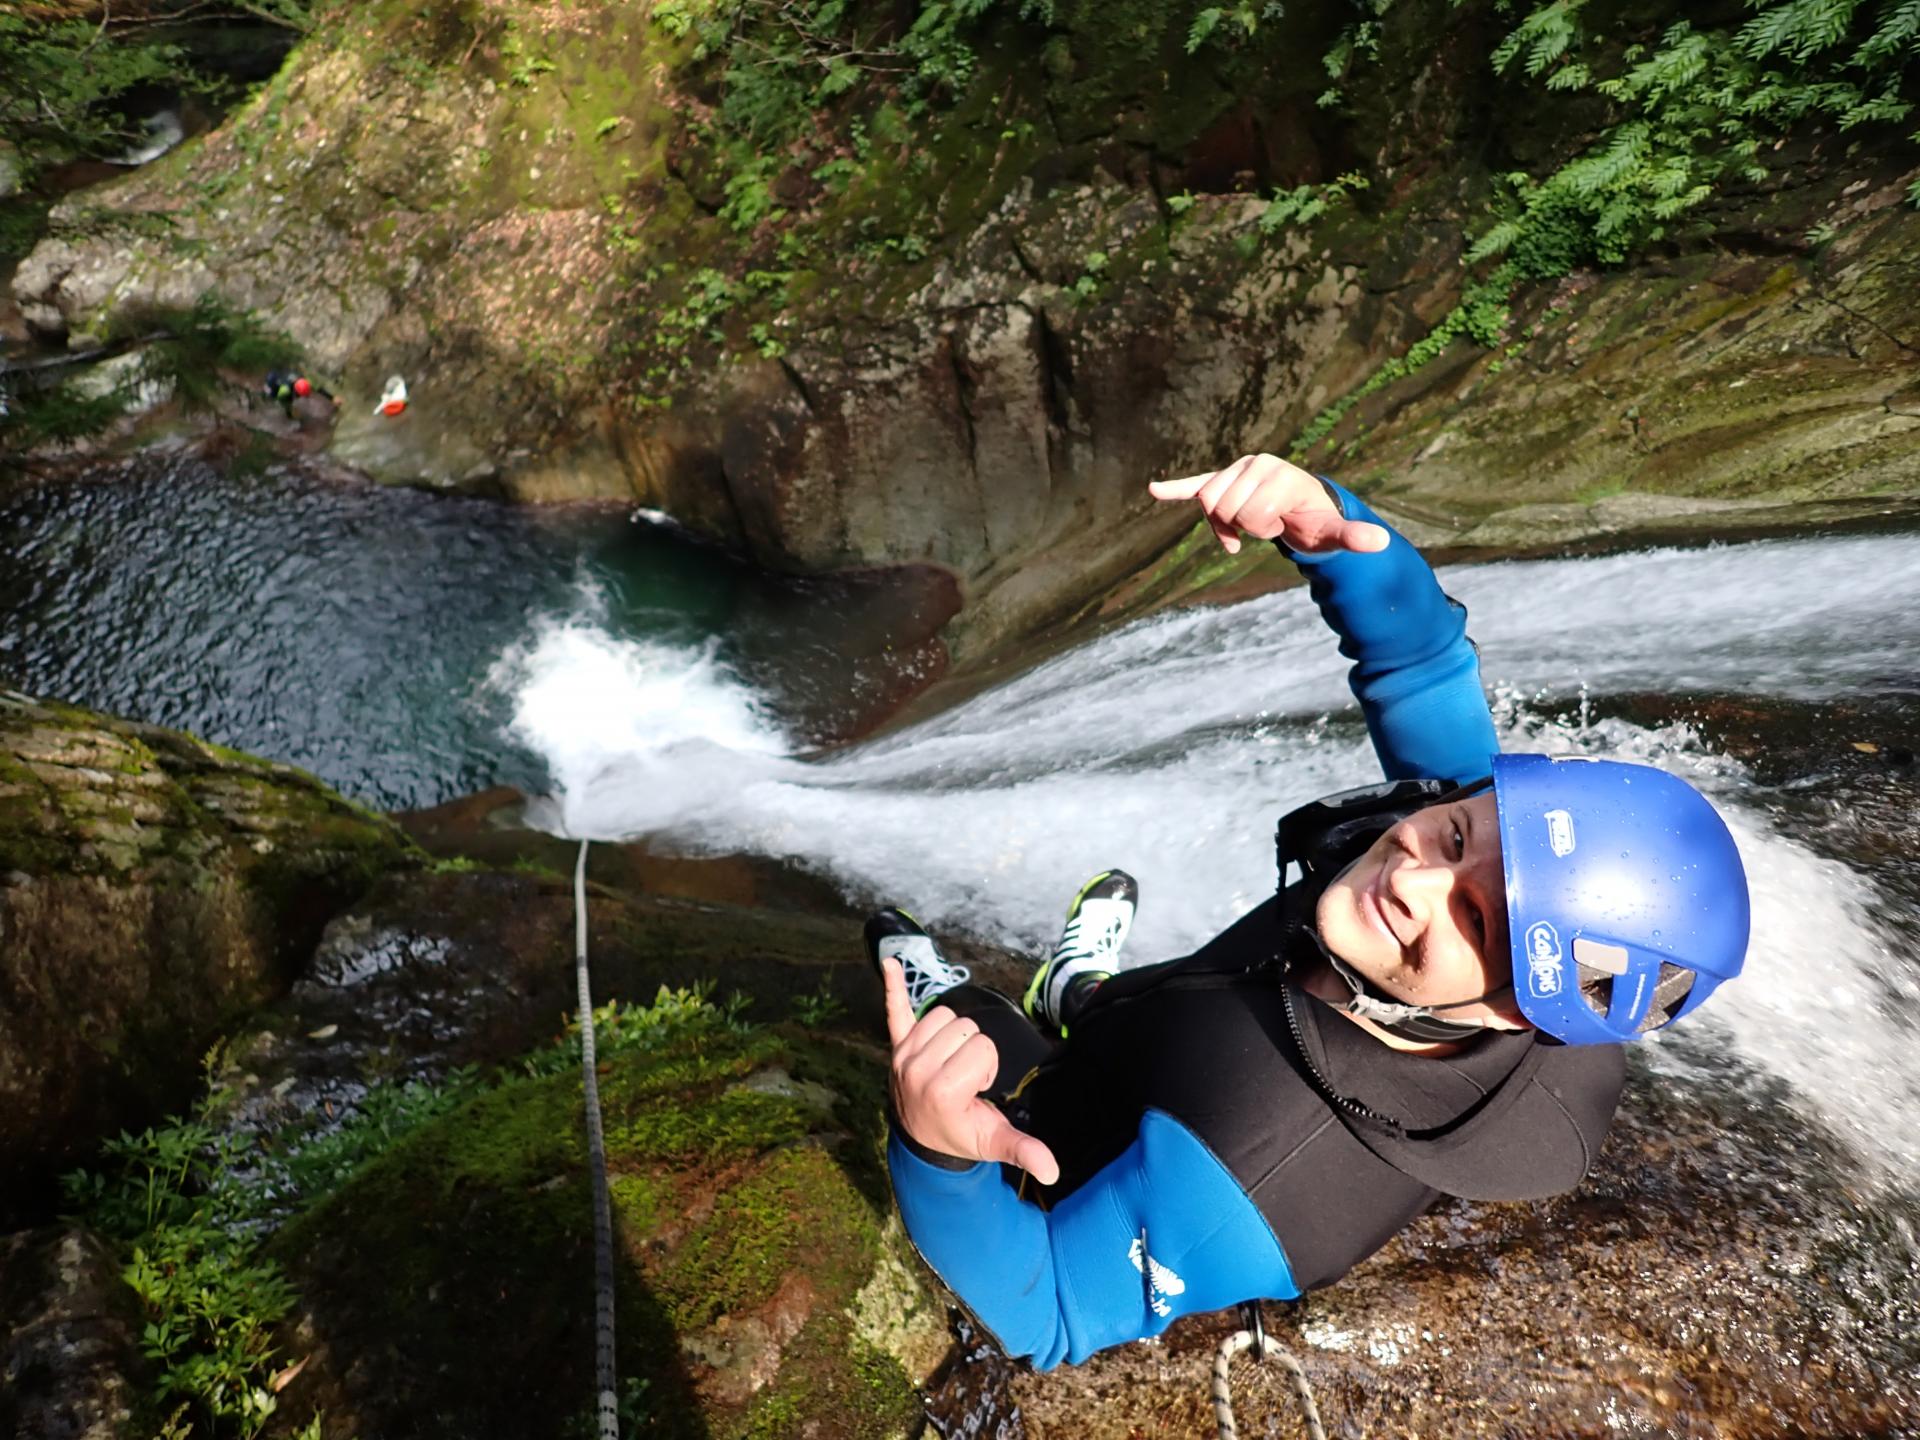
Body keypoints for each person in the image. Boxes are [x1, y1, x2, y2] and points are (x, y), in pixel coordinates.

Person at [868, 451, 1750, 1371]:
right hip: (1186, 1020)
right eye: (1454, 833)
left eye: (1479, 922)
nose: (1412, 877)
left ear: (1511, 1012)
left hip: (1074, 1159)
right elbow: (1416, 659)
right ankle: (1080, 992)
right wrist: (1332, 533)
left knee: (966, 1043)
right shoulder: (1511, 899)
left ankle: (978, 1008)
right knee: (1120, 1013)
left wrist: (937, 1157)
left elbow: (1051, 1314)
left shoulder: (1271, 1174)